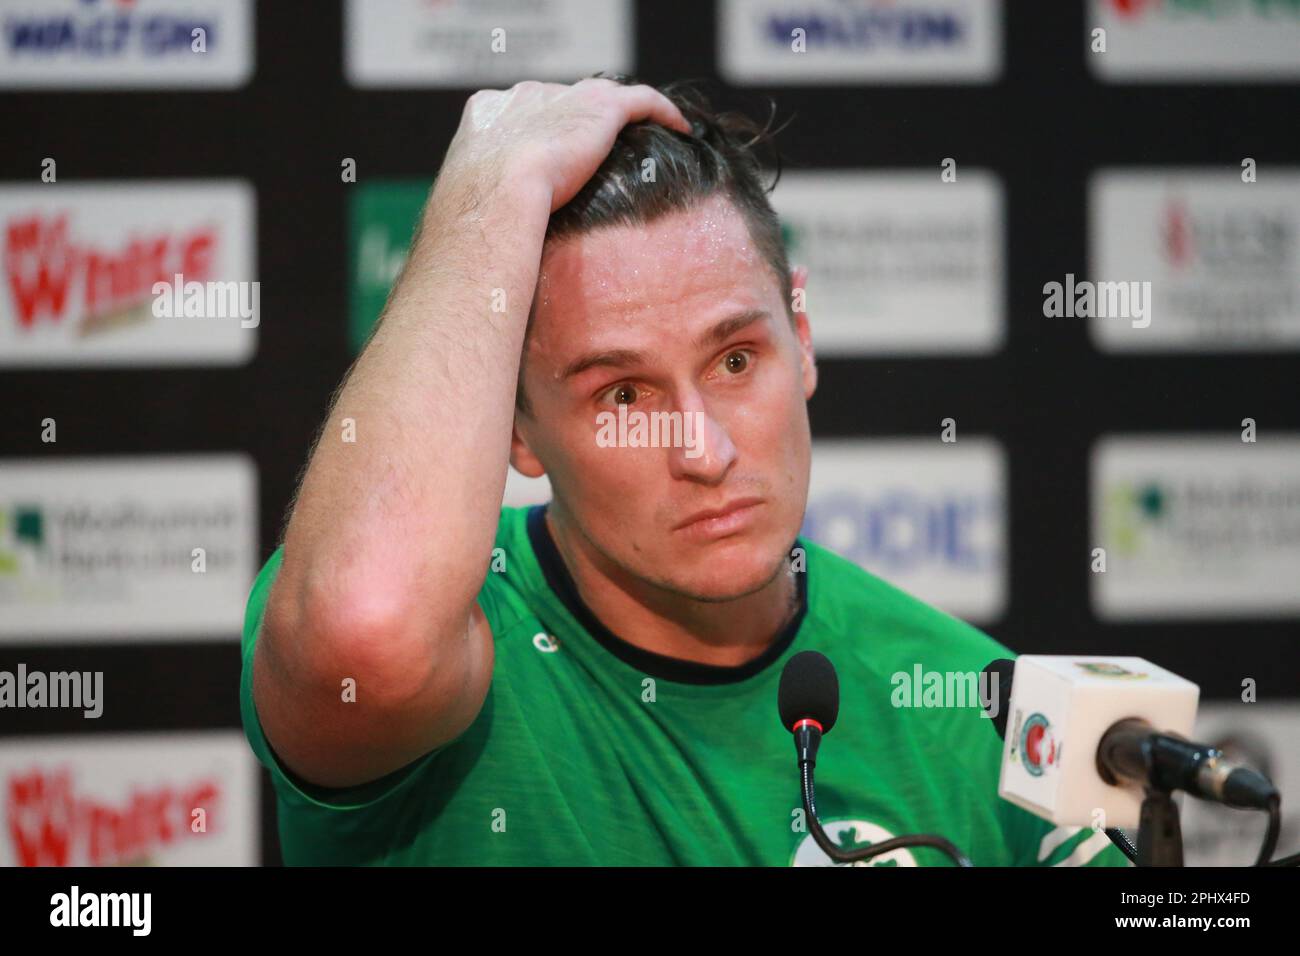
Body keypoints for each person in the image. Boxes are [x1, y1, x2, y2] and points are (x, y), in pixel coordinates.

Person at [239, 75, 1128, 866]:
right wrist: (489, 191)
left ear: (803, 340)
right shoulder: (457, 643)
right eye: (623, 396)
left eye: (736, 361)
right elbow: (366, 631)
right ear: (518, 431)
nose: (705, 451)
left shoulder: (974, 708)